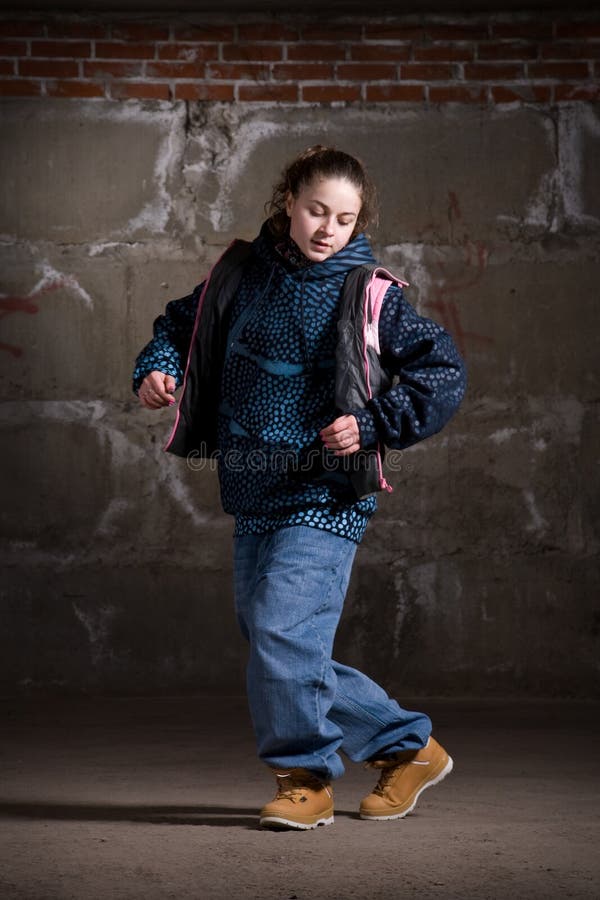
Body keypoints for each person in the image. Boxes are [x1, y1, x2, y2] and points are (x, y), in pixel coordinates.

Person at [132, 146, 466, 830]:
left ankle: (304, 777)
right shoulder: (238, 275)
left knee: (282, 634)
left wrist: (374, 424)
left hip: (329, 493)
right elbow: (177, 327)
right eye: (317, 211)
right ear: (288, 201)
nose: (327, 229)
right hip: (254, 487)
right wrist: (159, 368)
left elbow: (444, 372)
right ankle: (409, 747)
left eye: (344, 219)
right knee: (276, 642)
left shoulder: (369, 291)